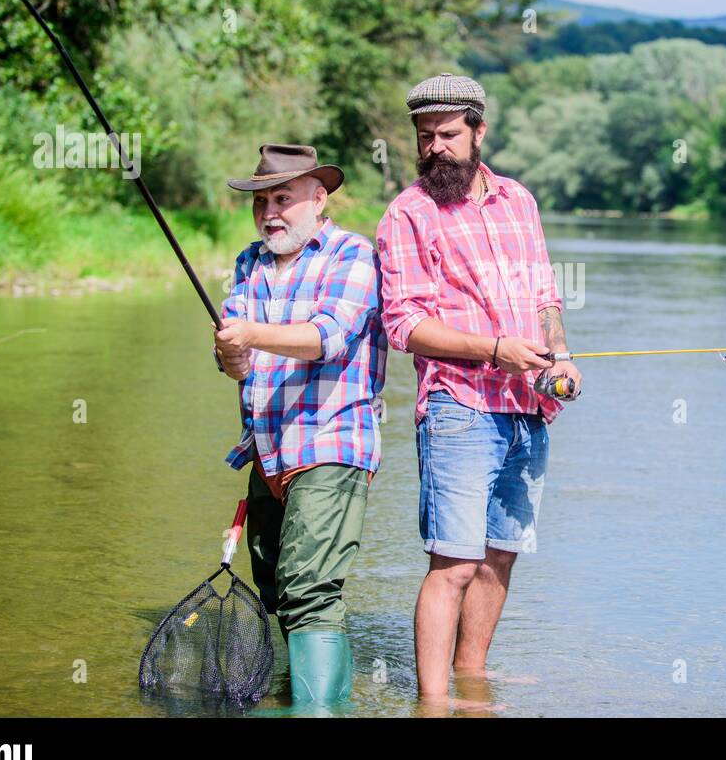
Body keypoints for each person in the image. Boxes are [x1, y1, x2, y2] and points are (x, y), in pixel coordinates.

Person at [375, 73, 582, 705]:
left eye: (447, 135)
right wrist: (495, 350)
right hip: (457, 408)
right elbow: (403, 325)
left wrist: (562, 358)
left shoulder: (520, 200)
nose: (434, 148)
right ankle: (433, 703)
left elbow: (545, 296)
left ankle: (472, 680)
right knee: (454, 565)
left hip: (528, 408)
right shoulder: (408, 213)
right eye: (424, 137)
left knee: (500, 557)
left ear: (479, 131)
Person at [213, 143, 386, 707]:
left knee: (309, 587)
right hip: (265, 450)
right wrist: (232, 354)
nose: (270, 212)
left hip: (331, 442)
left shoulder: (352, 255)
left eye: (282, 198)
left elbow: (326, 336)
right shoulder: (248, 263)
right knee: (276, 591)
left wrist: (251, 336)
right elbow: (236, 360)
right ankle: (329, 696)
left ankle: (316, 709)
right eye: (261, 201)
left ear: (319, 196)